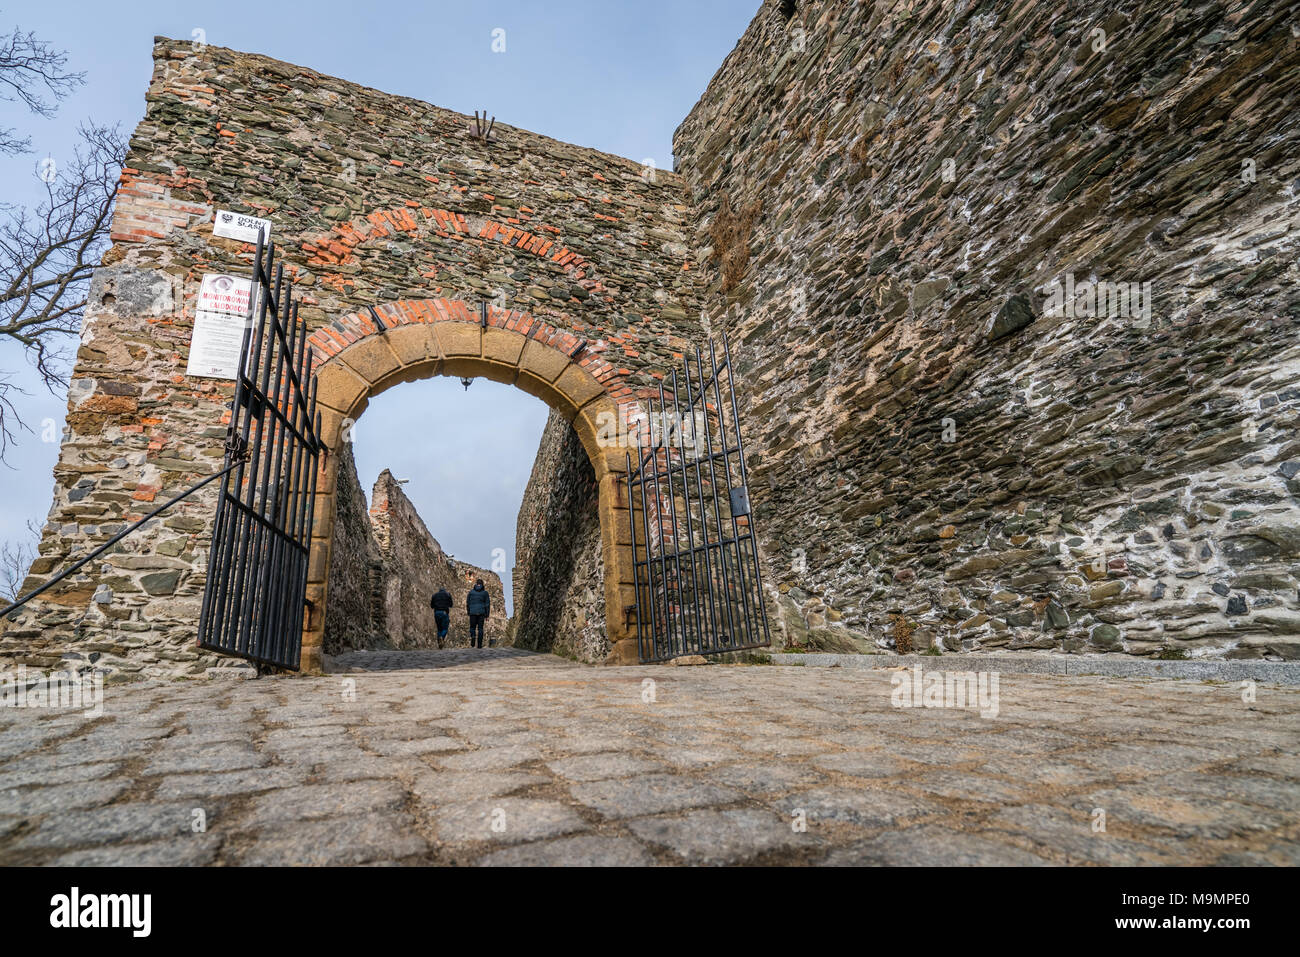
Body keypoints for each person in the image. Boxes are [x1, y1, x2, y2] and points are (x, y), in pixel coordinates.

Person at [466, 578, 490, 648]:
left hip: (472, 612)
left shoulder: (471, 592)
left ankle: (473, 636)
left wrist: (468, 612)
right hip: (481, 613)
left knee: (472, 627)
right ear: (482, 585)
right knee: (480, 629)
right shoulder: (485, 593)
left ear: (476, 584)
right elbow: (487, 604)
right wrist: (487, 615)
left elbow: (467, 603)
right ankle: (479, 645)